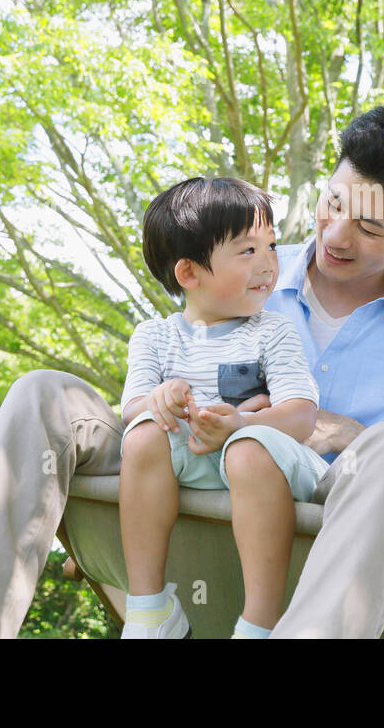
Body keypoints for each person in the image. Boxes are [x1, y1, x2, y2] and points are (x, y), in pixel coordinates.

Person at [0, 102, 384, 638]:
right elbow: (165, 371)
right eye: (333, 203)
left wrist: (310, 426)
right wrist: (173, 403)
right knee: (42, 395)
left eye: (368, 227)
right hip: (180, 505)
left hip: (331, 542)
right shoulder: (242, 264)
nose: (335, 234)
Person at [117, 176, 325, 639]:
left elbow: (300, 416)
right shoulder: (155, 336)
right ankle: (149, 609)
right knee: (145, 432)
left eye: (271, 246)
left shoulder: (273, 331)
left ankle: (260, 625)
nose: (269, 263)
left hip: (266, 466)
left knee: (247, 448)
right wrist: (160, 398)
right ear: (189, 274)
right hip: (191, 458)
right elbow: (131, 408)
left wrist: (242, 423)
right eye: (248, 251)